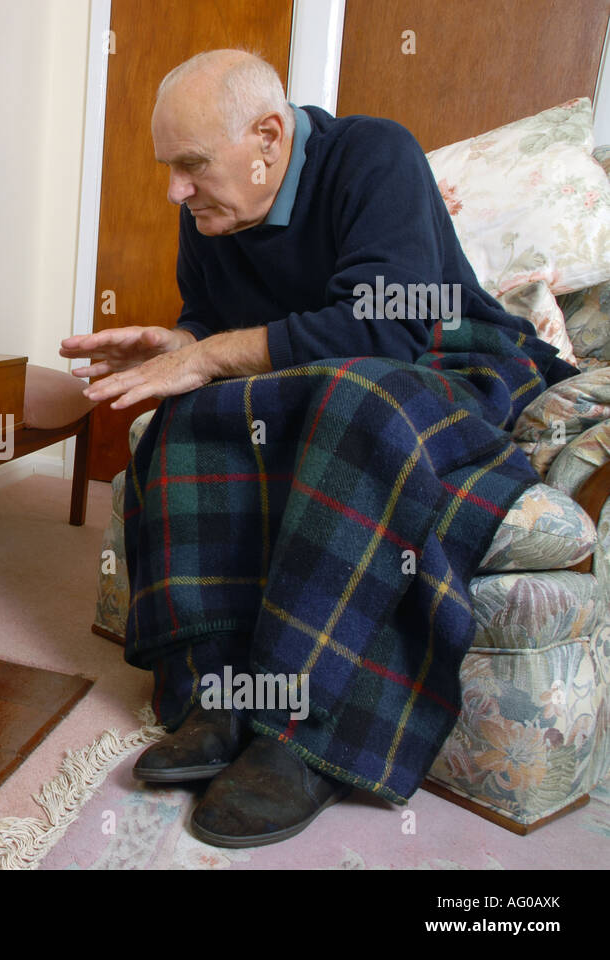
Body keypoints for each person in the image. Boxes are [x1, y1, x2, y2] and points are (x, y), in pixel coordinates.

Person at [60, 49, 575, 848]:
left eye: (190, 166)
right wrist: (180, 343)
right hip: (318, 373)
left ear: (269, 136)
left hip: (441, 359)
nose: (175, 189)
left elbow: (386, 330)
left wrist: (204, 352)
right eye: (171, 168)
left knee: (353, 400)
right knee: (188, 410)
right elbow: (211, 321)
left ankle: (304, 734)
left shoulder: (376, 155)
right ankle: (220, 693)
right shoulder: (209, 208)